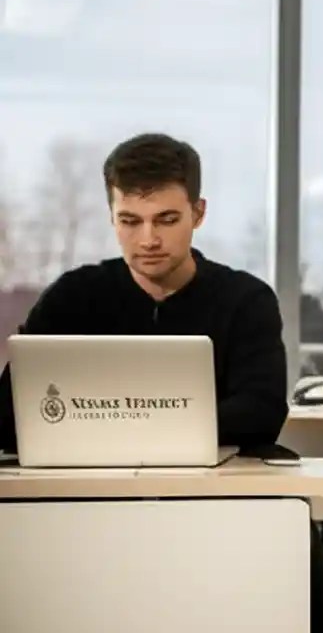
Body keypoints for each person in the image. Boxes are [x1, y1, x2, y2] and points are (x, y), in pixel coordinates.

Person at [0, 132, 286, 452]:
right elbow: (9, 415)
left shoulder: (245, 301)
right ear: (112, 217)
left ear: (198, 213)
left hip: (209, 491)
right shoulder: (71, 298)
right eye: (130, 221)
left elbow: (262, 415)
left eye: (166, 220)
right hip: (87, 487)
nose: (148, 240)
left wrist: (115, 427)